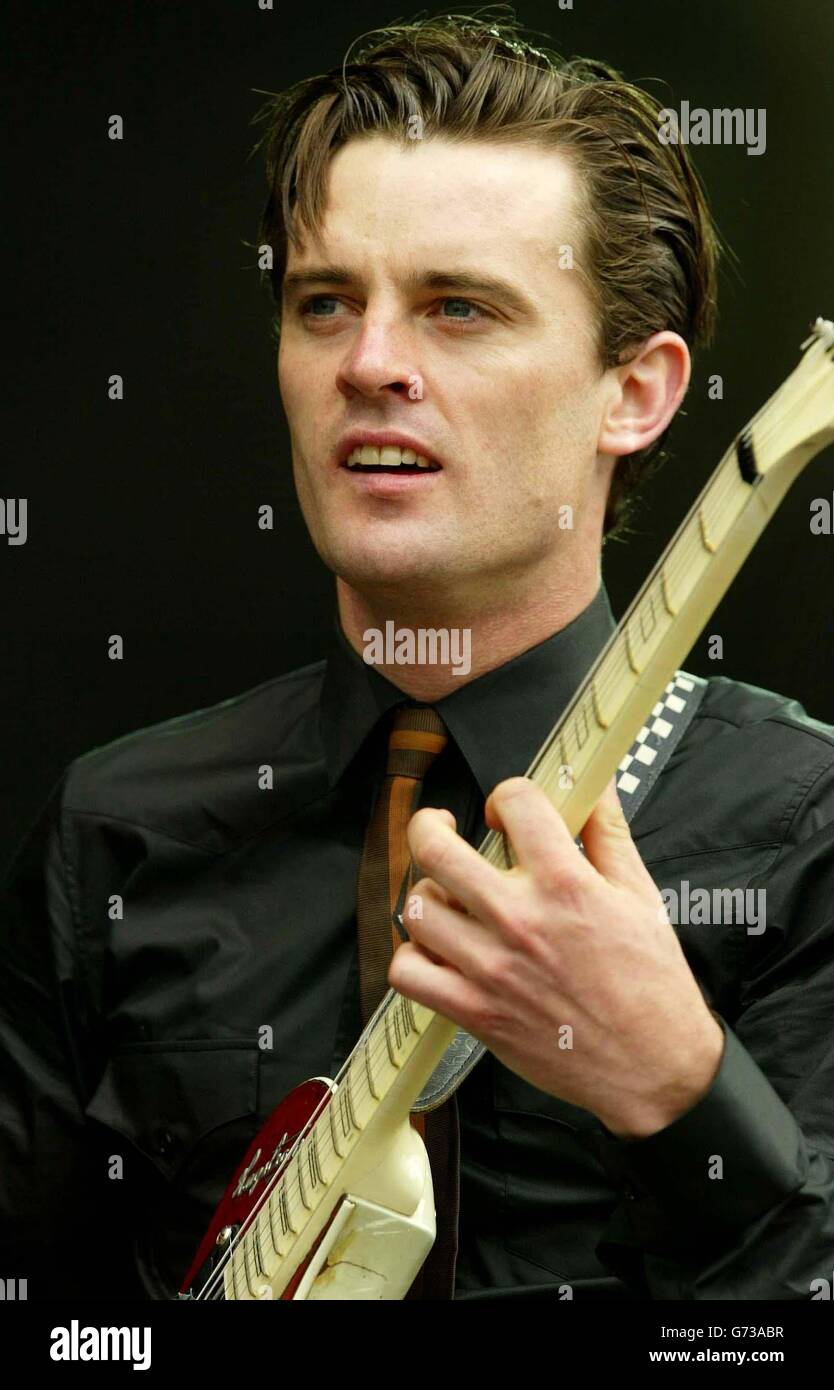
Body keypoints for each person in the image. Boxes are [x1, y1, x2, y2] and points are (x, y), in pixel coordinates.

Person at [1, 15, 832, 1302]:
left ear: (639, 391)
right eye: (325, 303)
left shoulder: (805, 829)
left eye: (459, 308)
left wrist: (677, 1088)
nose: (371, 365)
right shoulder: (115, 832)